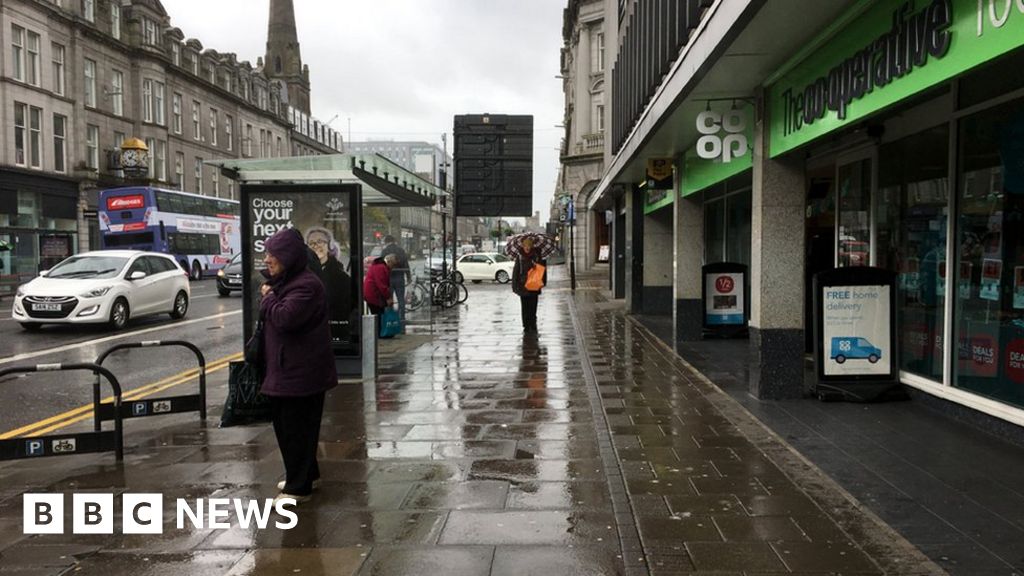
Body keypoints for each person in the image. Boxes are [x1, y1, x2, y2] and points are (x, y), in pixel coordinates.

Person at [259, 228, 338, 503]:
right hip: (289, 370)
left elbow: (285, 319)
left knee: (296, 430)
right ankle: (306, 474)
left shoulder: (306, 285)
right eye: (267, 253)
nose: (267, 259)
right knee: (290, 428)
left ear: (289, 257)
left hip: (300, 373)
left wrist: (268, 297)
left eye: (273, 254)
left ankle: (298, 487)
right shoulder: (289, 282)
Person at [305, 227, 353, 343]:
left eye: (320, 241)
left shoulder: (342, 278)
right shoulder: (301, 274)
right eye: (311, 243)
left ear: (330, 246)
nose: (315, 245)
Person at [512, 238, 547, 333]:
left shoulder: (536, 255)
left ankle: (533, 323)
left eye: (529, 246)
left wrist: (537, 263)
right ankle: (526, 325)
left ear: (531, 246)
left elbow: (542, 269)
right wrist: (515, 286)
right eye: (525, 246)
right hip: (523, 285)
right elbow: (516, 271)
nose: (527, 248)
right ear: (523, 246)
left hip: (534, 284)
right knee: (525, 307)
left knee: (533, 306)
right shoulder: (519, 257)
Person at [381, 235, 411, 327]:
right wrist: (408, 276)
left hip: (388, 278)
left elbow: (381, 266)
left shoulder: (385, 251)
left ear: (386, 242)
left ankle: (390, 317)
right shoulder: (400, 250)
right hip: (399, 277)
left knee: (388, 299)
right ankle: (401, 317)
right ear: (394, 241)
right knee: (400, 298)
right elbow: (406, 264)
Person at [364, 253, 396, 320]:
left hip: (373, 294)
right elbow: (382, 285)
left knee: (379, 315)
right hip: (374, 295)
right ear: (389, 262)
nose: (393, 268)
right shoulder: (381, 268)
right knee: (379, 316)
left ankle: (379, 329)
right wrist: (388, 297)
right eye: (393, 265)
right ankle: (378, 330)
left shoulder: (379, 266)